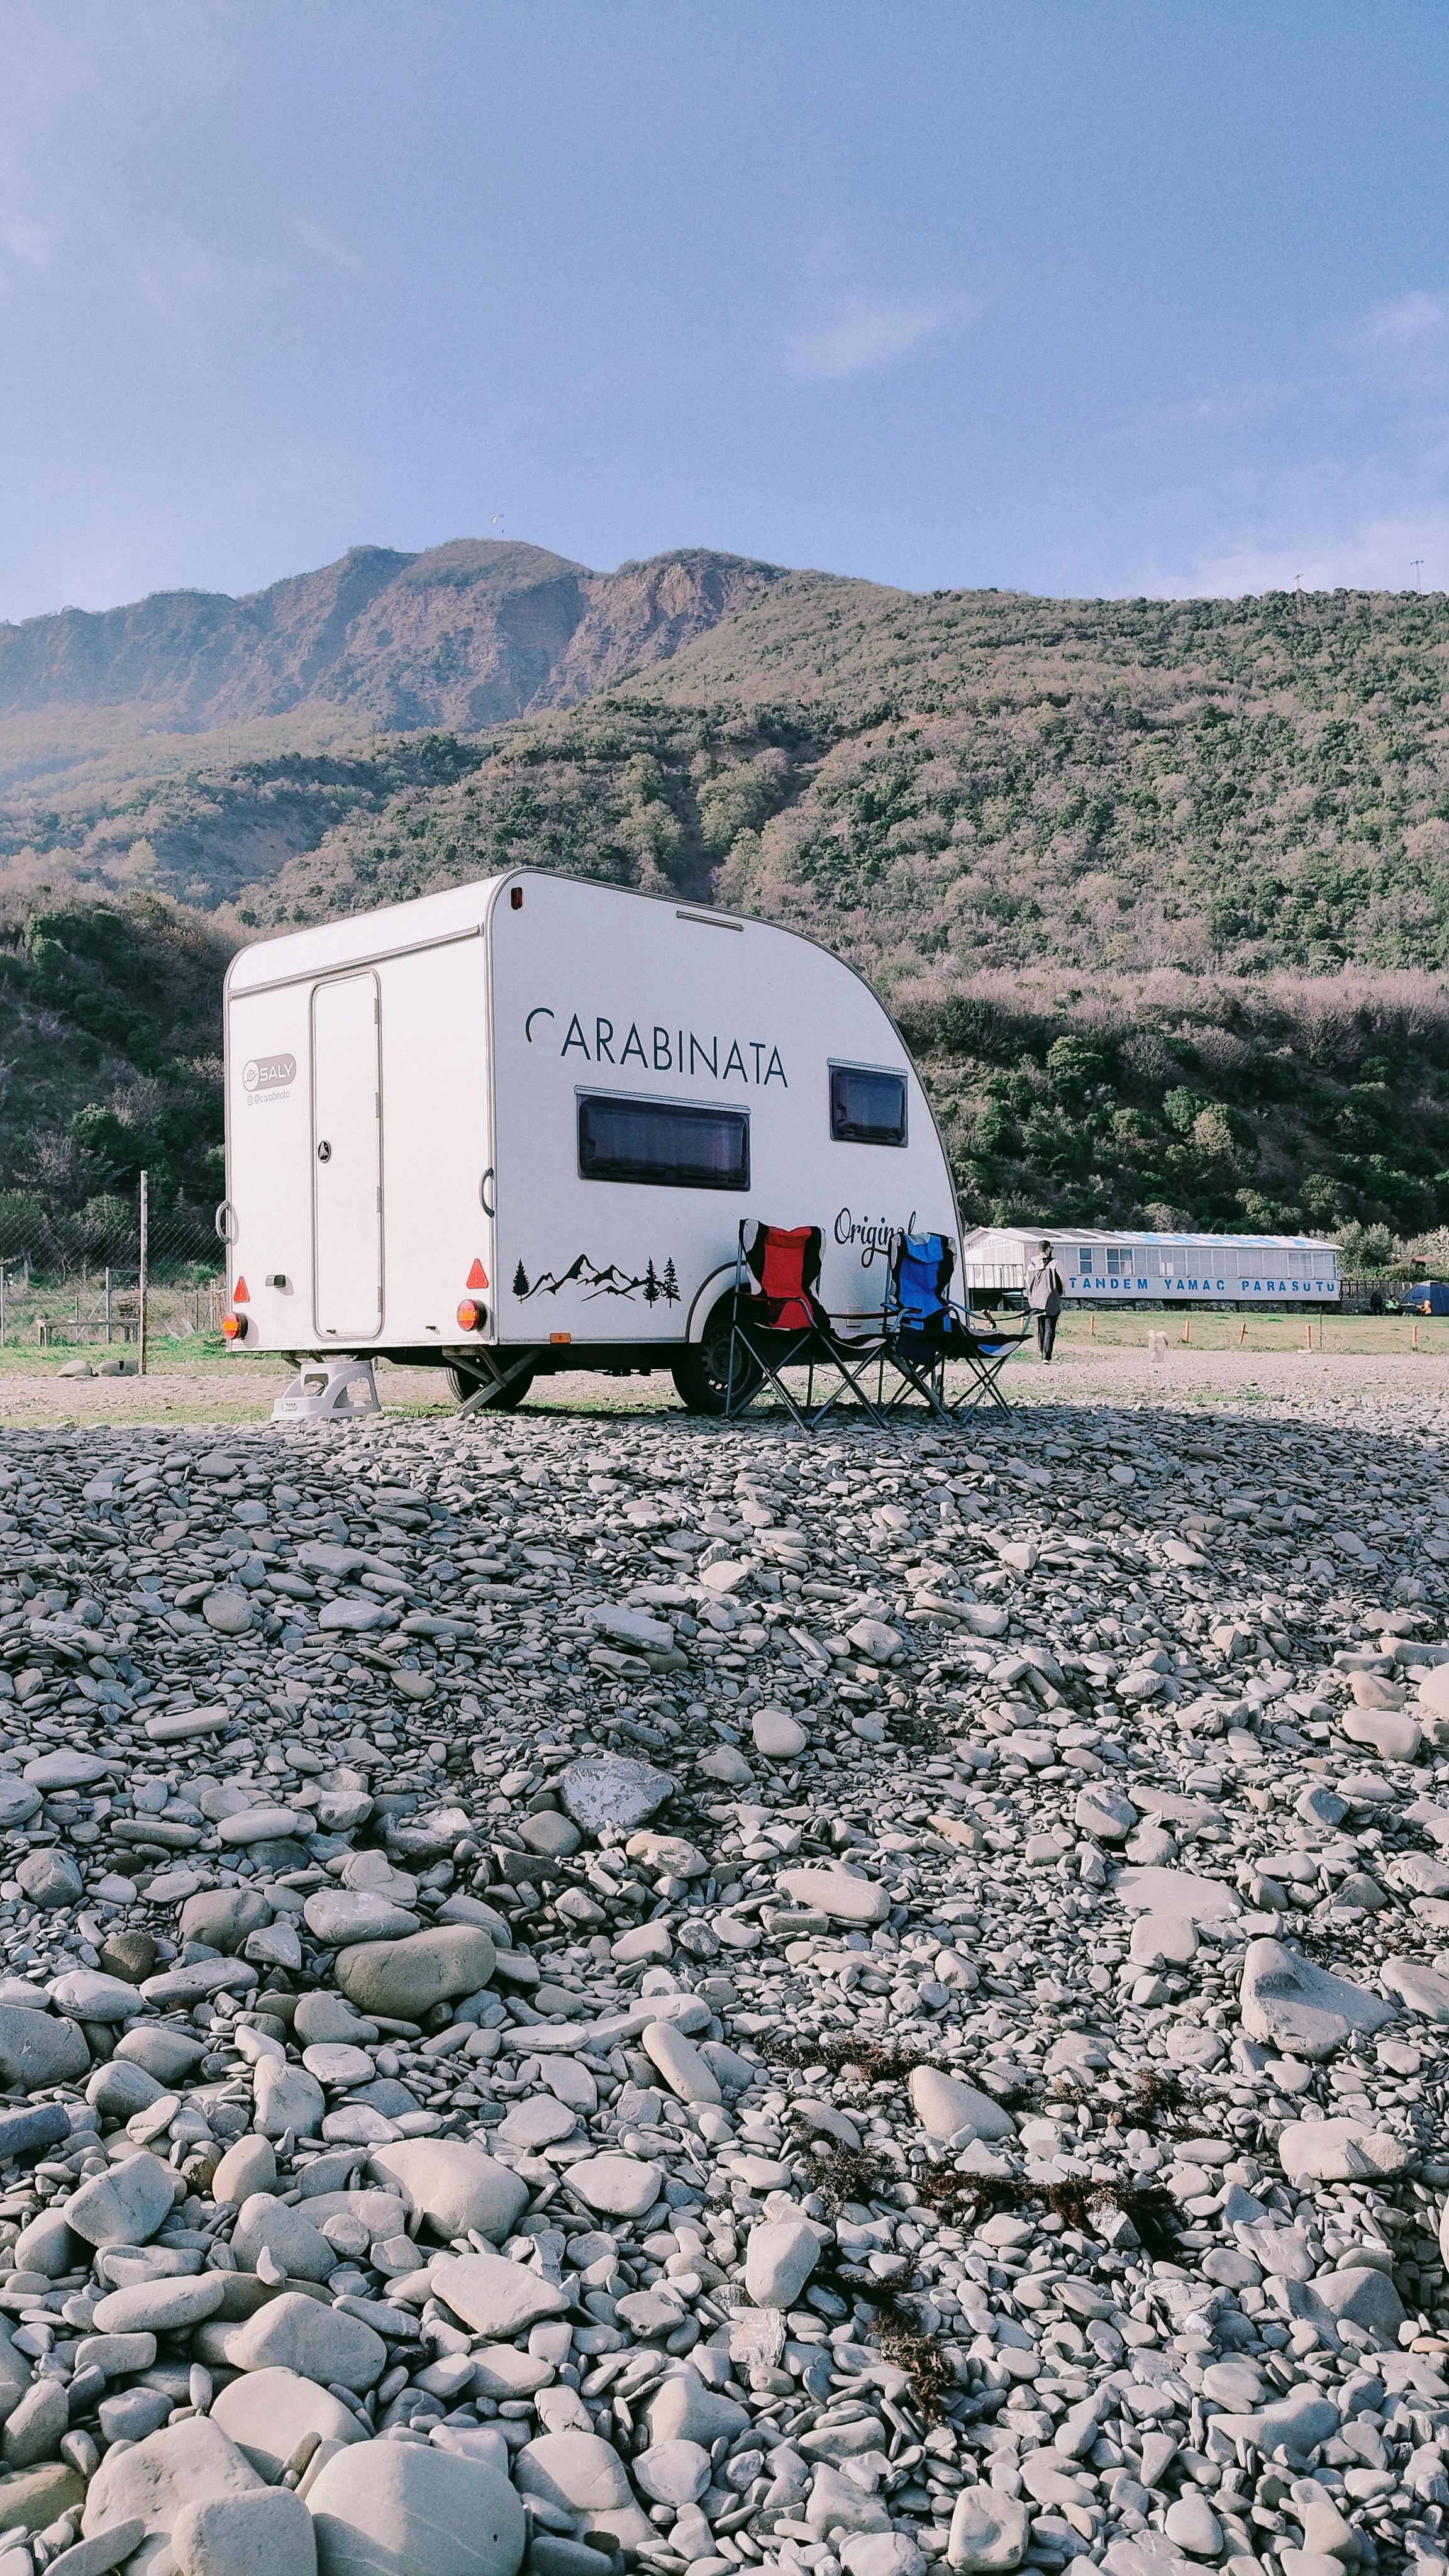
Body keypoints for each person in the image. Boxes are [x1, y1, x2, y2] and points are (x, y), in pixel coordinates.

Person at [1025, 1236, 1065, 1362]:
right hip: (1051, 1298)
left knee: (1041, 1327)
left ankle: (1042, 1351)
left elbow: (1027, 1283)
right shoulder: (1055, 1263)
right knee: (1050, 1328)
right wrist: (1061, 1290)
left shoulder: (1031, 1265)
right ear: (1048, 1249)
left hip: (1036, 1300)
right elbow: (1064, 1279)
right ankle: (1046, 1356)